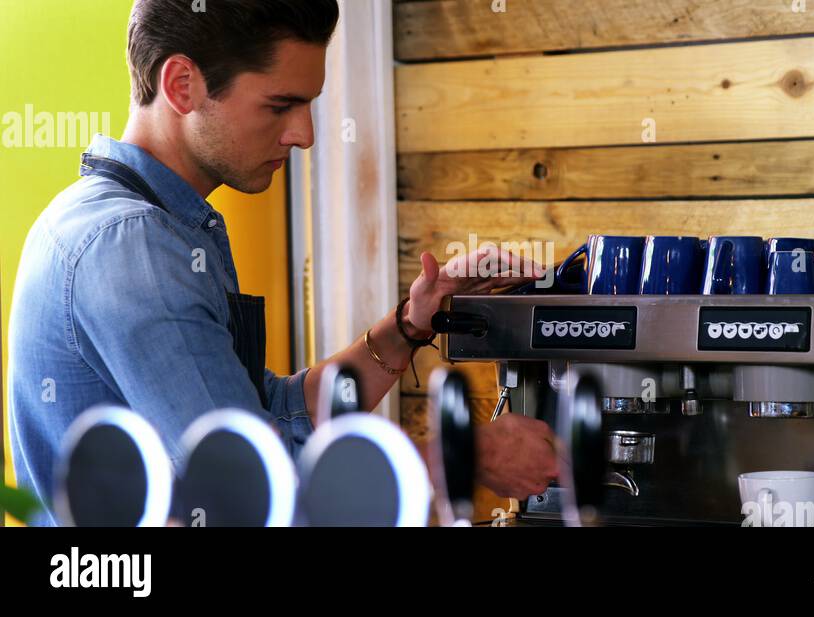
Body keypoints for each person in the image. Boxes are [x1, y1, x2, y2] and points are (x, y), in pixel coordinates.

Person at [7, 0, 558, 526]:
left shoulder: (143, 227)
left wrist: (409, 326)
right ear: (181, 85)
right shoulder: (132, 247)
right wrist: (463, 455)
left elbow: (268, 420)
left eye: (310, 105)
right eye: (280, 105)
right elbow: (249, 489)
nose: (305, 135)